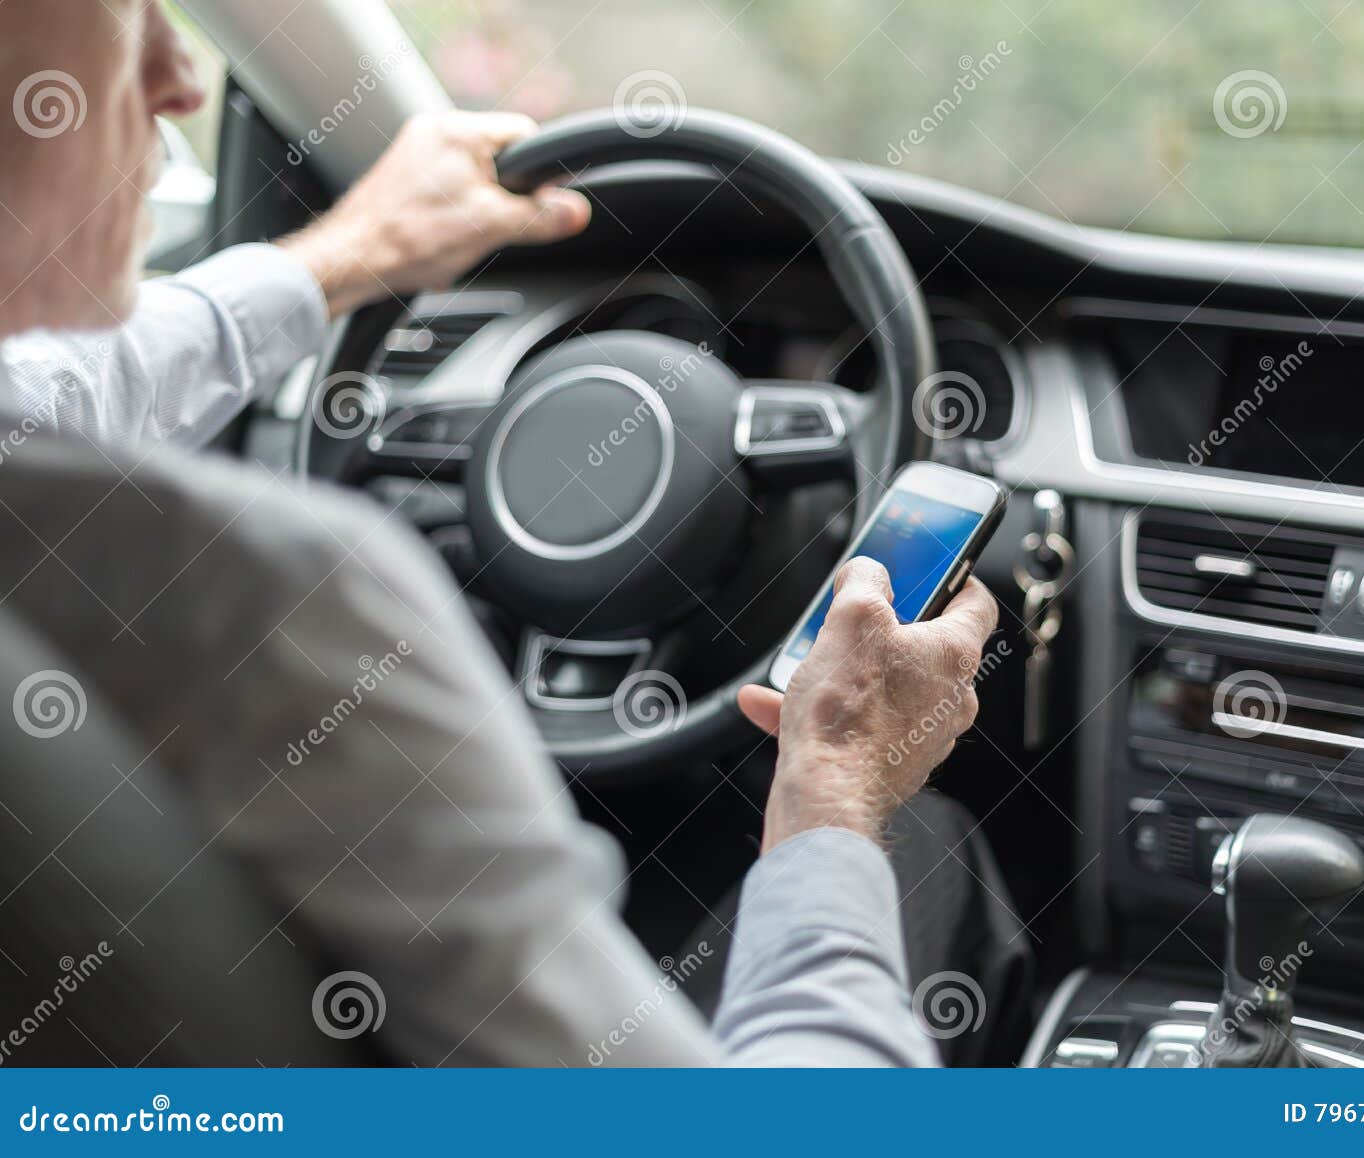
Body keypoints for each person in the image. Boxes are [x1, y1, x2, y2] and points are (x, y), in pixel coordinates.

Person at [0, 1, 1016, 1065]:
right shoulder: (272, 601)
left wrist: (354, 253)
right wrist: (834, 786)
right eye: (123, 11)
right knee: (922, 849)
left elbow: (54, 390)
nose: (182, 77)